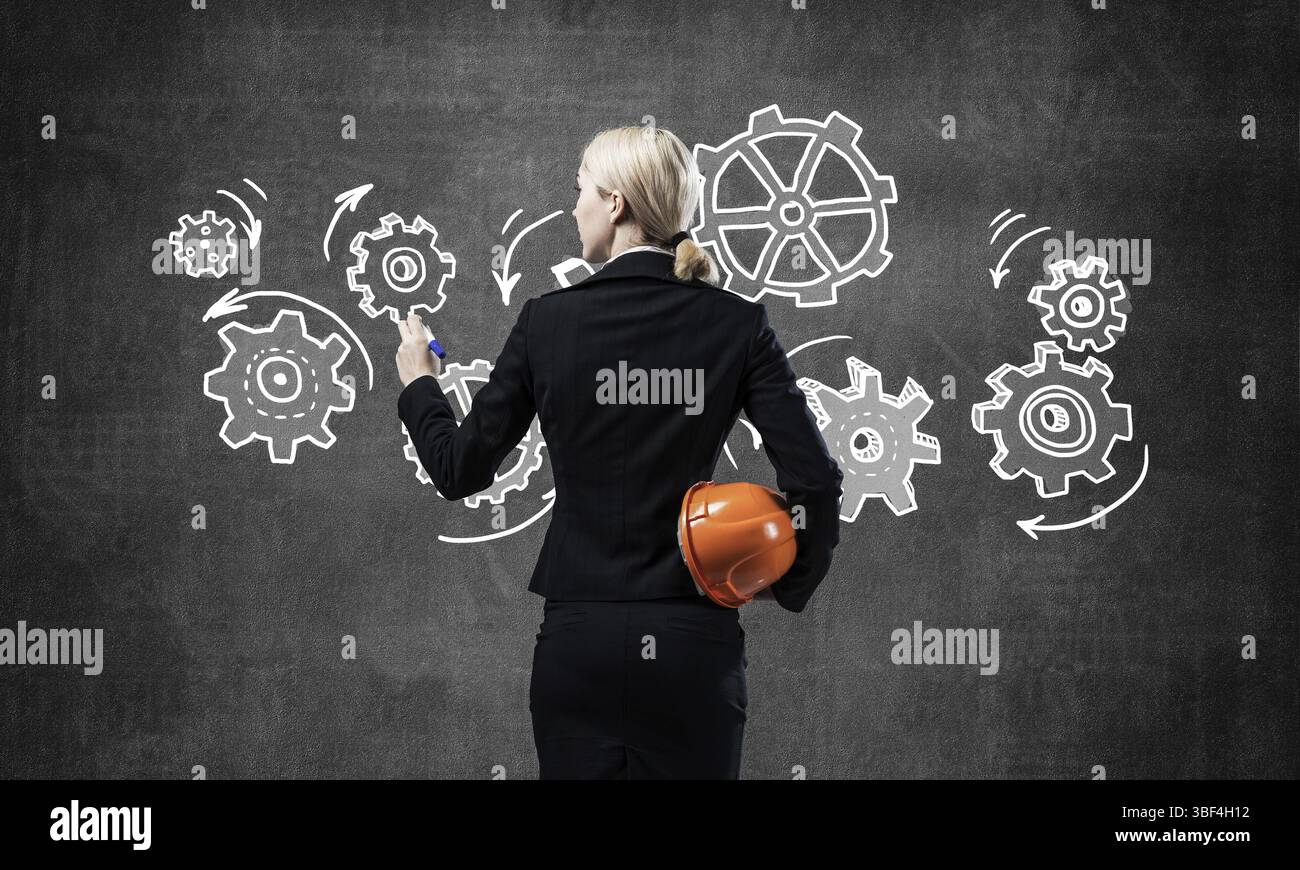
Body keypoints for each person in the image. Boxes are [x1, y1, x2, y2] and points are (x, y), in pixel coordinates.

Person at [394, 124, 844, 779]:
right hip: (694, 645)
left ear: (616, 203)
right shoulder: (737, 325)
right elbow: (817, 484)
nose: (573, 206)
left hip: (581, 646)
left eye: (580, 190)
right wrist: (786, 583)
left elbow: (458, 469)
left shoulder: (545, 322)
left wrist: (420, 386)